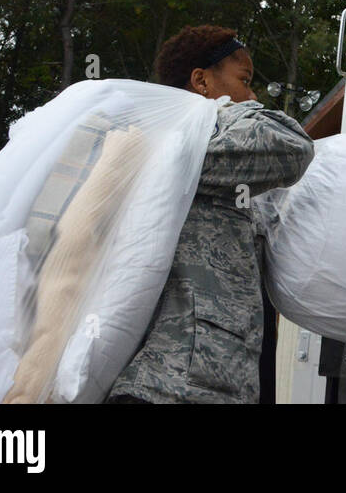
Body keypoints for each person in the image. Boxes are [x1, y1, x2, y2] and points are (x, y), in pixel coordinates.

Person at [103, 25, 314, 403]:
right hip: (177, 383)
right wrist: (239, 106)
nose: (251, 93)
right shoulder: (183, 141)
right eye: (244, 79)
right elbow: (292, 146)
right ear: (201, 80)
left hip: (192, 380)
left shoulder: (197, 143)